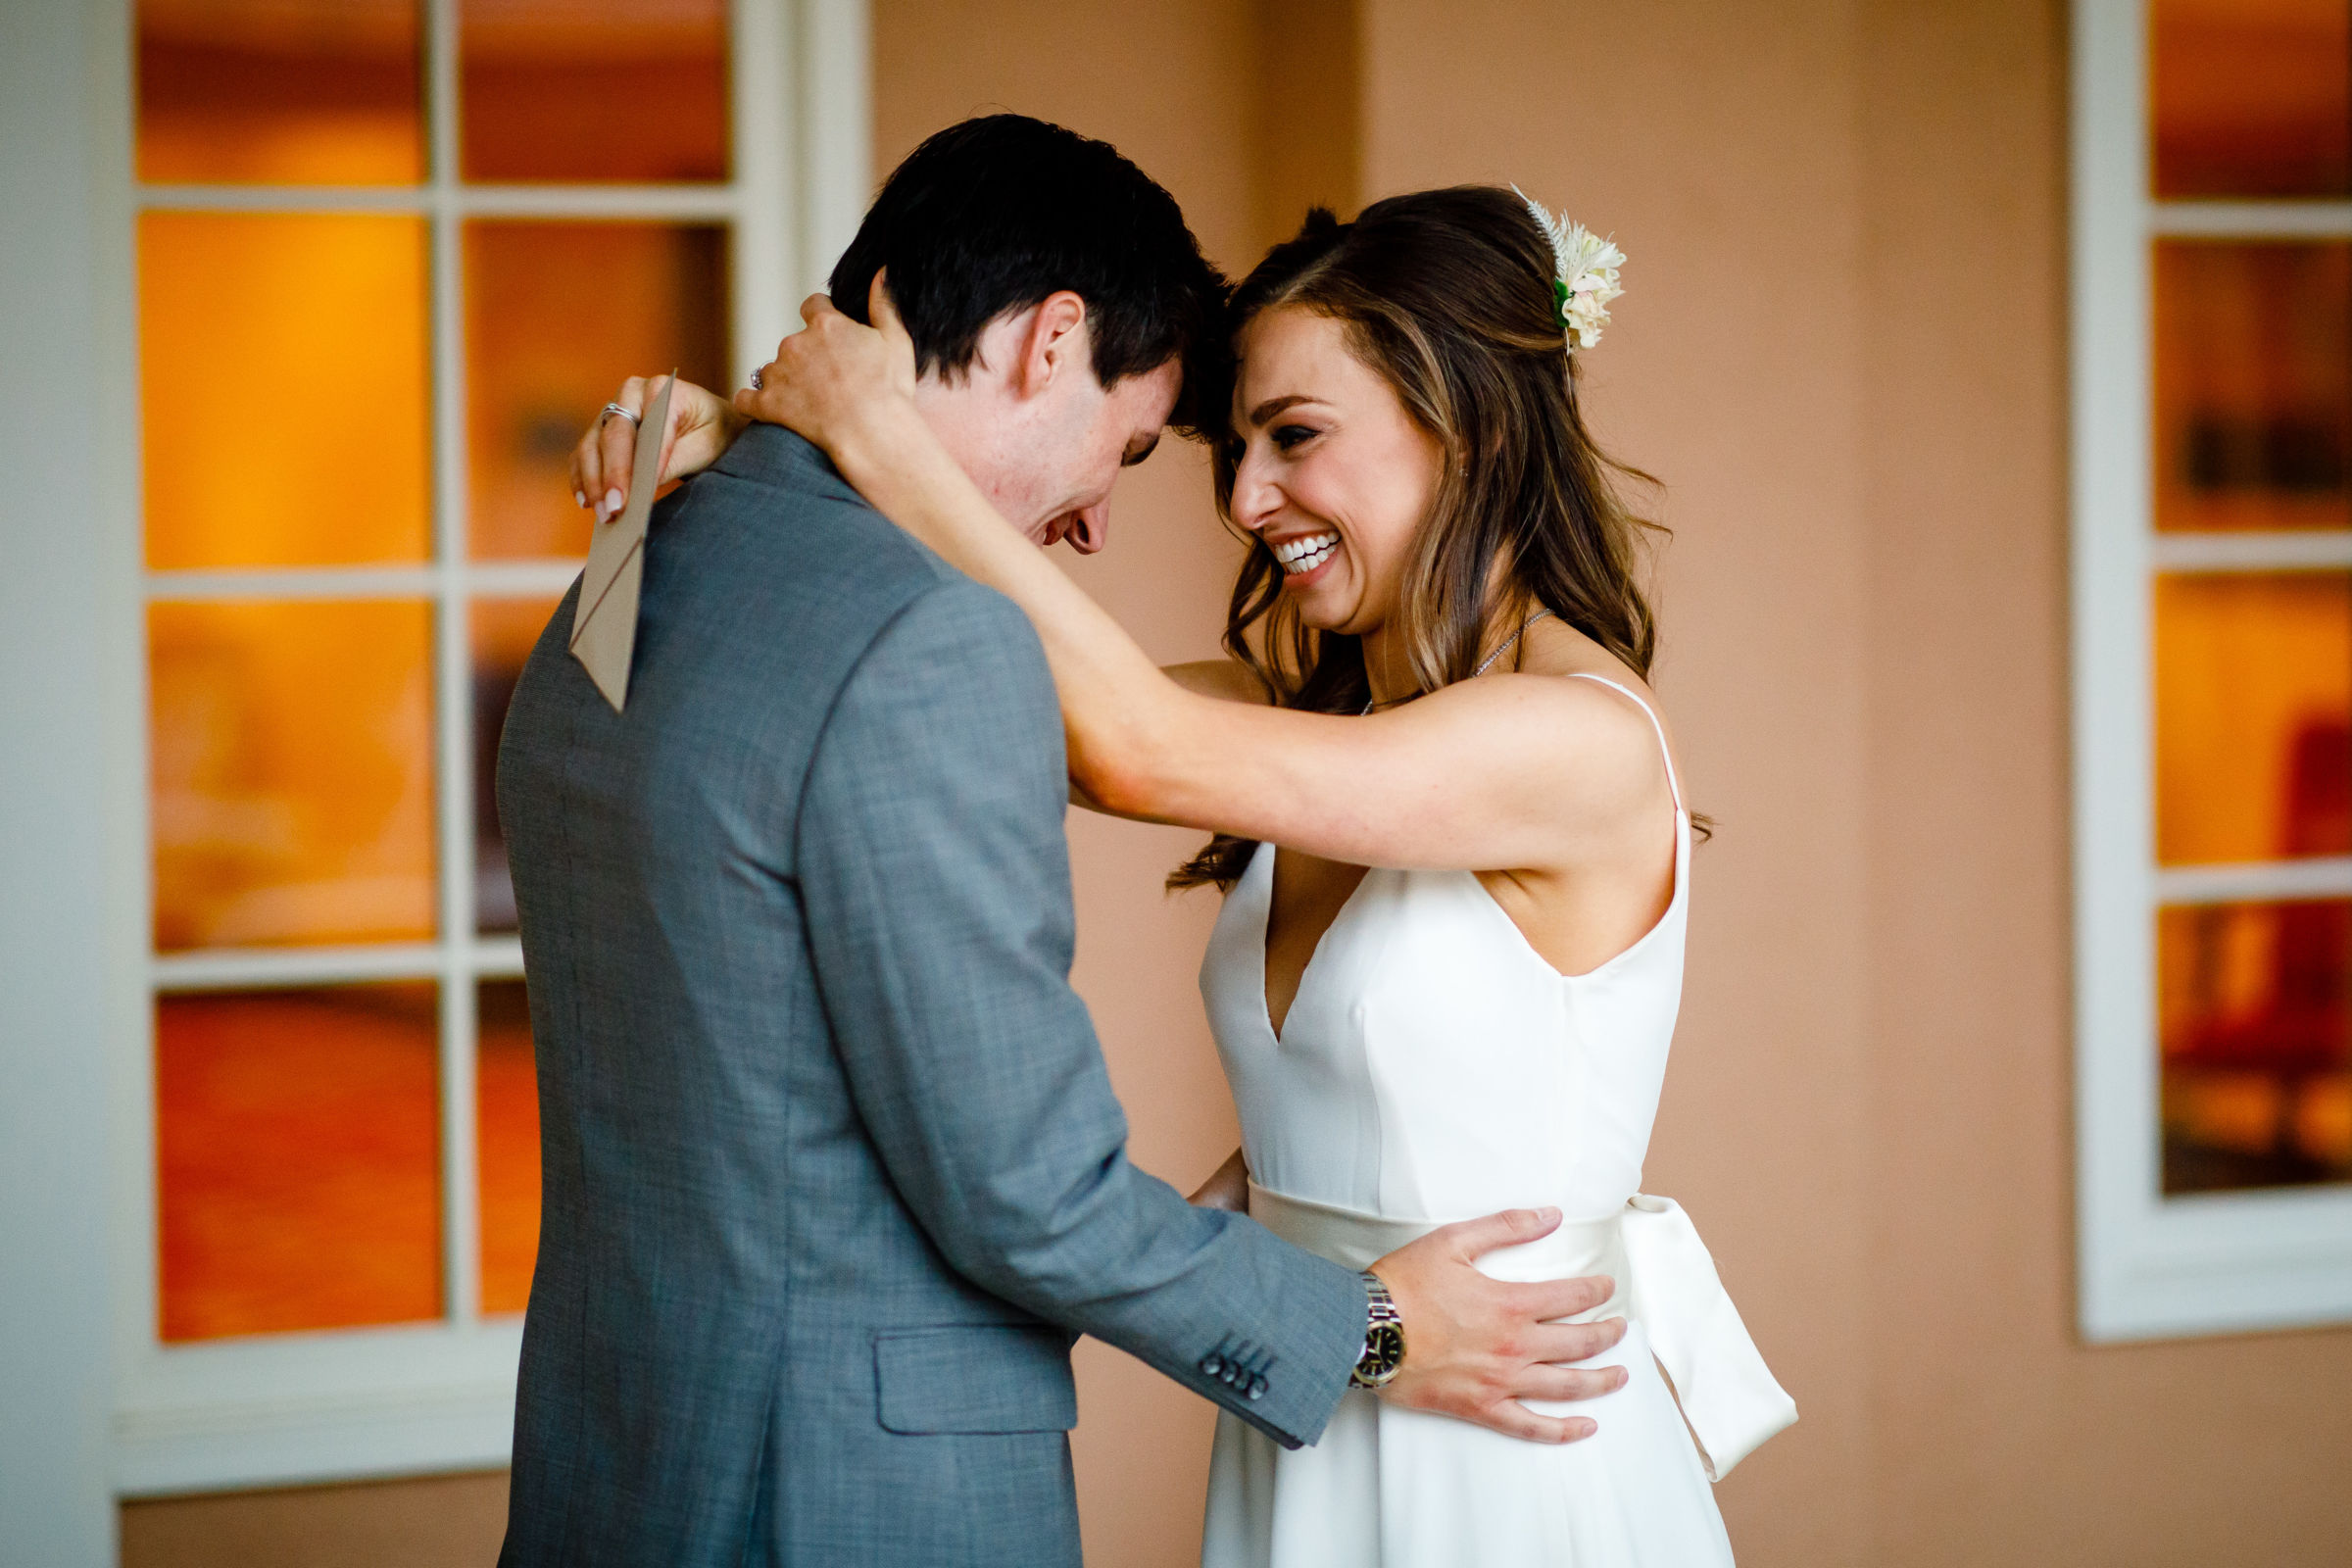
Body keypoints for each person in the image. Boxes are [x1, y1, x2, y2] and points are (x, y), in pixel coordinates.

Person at [611, 182, 1799, 1564]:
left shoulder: (1576, 745)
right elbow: (938, 683)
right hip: (1324, 1401)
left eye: (1293, 437)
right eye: (1237, 446)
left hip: (1512, 1450)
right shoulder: (1309, 723)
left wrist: (872, 429)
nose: (1245, 499)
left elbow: (1135, 747)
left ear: (1468, 424)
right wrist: (753, 463)